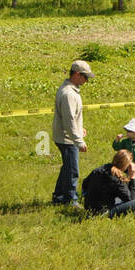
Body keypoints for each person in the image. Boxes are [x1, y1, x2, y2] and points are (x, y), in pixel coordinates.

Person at [51, 60, 92, 206]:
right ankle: (70, 200)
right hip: (67, 139)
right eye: (85, 77)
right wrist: (79, 141)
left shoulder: (70, 90)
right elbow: (68, 121)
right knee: (73, 171)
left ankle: (59, 196)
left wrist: (80, 129)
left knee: (67, 167)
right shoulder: (69, 94)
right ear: (76, 74)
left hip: (66, 136)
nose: (86, 80)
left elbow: (72, 117)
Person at [80, 149, 135, 218]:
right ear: (125, 165)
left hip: (88, 207)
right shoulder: (116, 178)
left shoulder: (99, 169)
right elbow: (131, 199)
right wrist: (132, 177)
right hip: (102, 212)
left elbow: (85, 184)